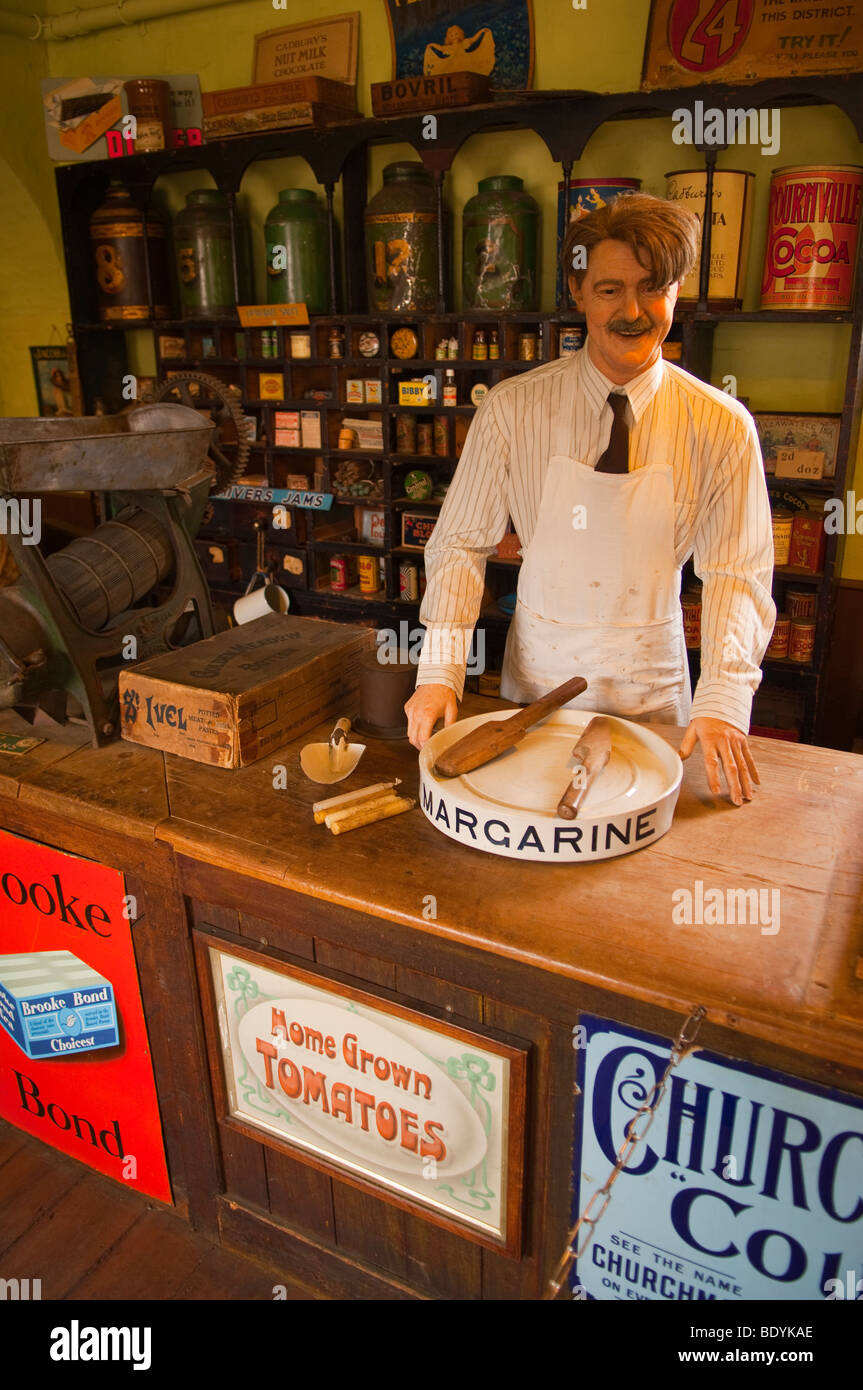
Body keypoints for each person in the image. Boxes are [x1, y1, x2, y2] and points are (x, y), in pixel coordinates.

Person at [405, 192, 776, 806]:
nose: (632, 311)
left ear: (676, 292)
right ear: (578, 291)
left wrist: (724, 700)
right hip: (534, 695)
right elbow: (458, 546)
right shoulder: (512, 411)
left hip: (654, 700)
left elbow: (736, 573)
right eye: (610, 290)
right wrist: (440, 671)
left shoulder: (721, 425)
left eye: (652, 288)